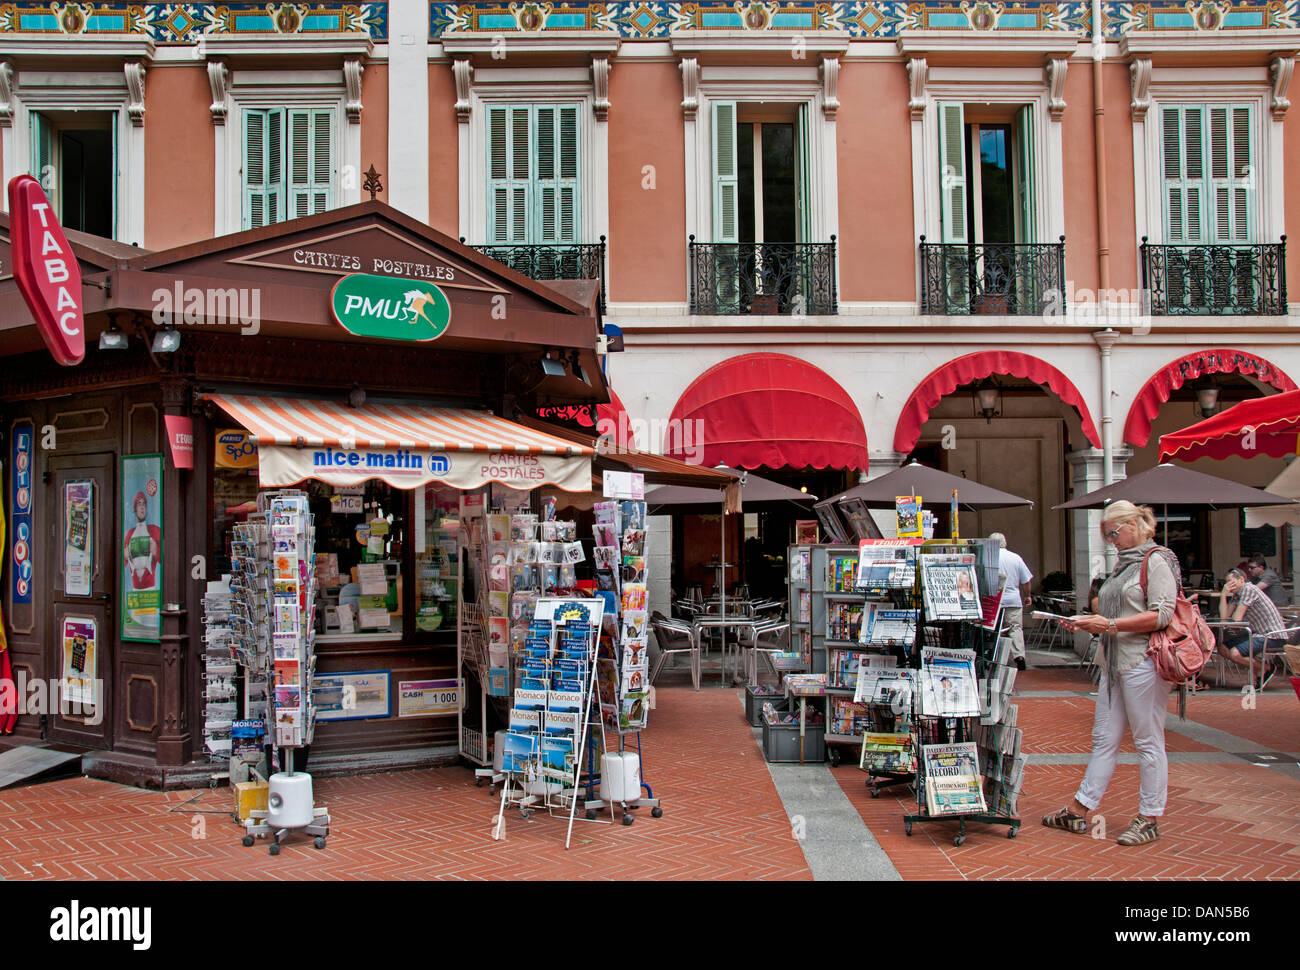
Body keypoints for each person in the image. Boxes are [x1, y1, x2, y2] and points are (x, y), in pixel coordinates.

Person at [1041, 501, 1177, 847]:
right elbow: (1111, 612)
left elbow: (1162, 614)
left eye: (1114, 533)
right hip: (1114, 663)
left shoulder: (1156, 560)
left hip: (1141, 662)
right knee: (1104, 738)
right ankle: (1079, 808)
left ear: (1133, 525)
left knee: (1148, 740)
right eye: (1108, 536)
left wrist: (1110, 625)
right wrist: (1088, 622)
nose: (1112, 541)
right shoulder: (1122, 566)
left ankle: (1149, 816)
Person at [1217, 568, 1285, 689]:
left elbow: (1236, 619)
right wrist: (1223, 595)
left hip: (1272, 635)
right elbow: (1224, 619)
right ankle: (1262, 669)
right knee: (1222, 647)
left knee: (1235, 653)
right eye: (1226, 582)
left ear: (1241, 579)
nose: (1228, 585)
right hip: (1257, 633)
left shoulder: (1249, 589)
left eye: (1231, 581)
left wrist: (1233, 616)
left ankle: (1265, 668)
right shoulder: (1238, 594)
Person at [989, 532, 1033, 671]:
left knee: (995, 629)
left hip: (994, 600)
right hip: (1013, 599)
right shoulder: (1016, 558)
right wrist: (1028, 595)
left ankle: (994, 656)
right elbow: (1026, 580)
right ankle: (1019, 656)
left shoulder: (989, 557)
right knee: (1015, 628)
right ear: (1005, 543)